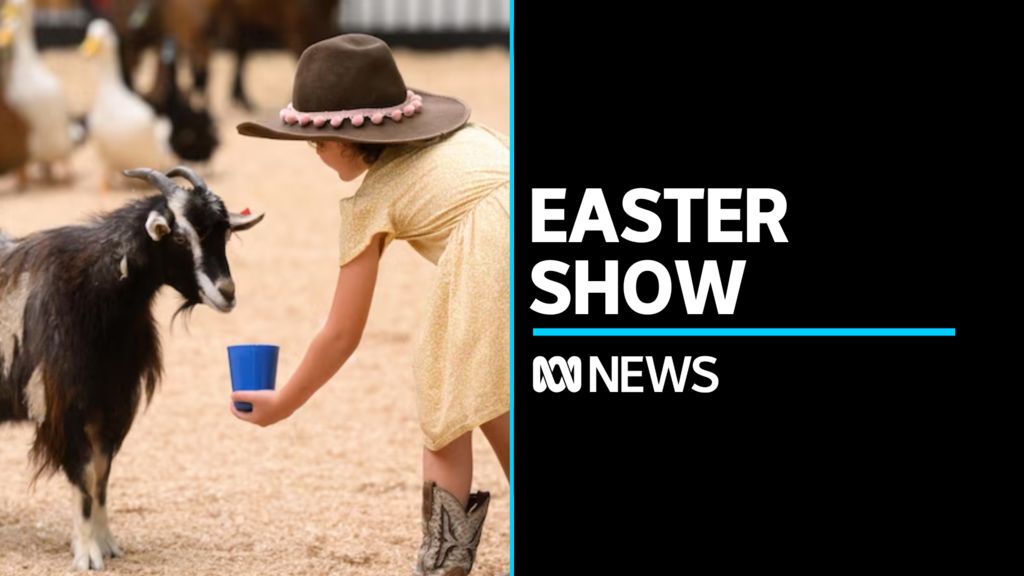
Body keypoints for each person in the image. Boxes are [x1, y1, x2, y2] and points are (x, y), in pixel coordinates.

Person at [232, 34, 509, 576]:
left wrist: (283, 402)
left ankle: (443, 562)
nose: (314, 153)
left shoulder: (374, 198)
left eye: (316, 142)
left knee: (446, 404)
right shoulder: (471, 137)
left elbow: (342, 331)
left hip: (492, 250)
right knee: (495, 395)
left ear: (344, 138)